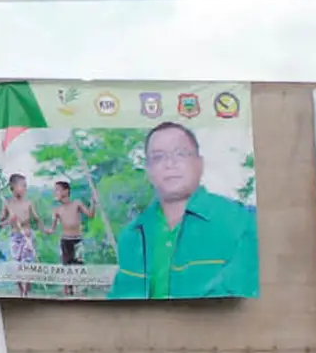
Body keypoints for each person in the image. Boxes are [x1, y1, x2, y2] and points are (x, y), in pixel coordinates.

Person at [108, 122, 260, 299]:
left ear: (199, 164)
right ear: (148, 171)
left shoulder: (241, 223)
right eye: (158, 157)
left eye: (180, 154)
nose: (170, 164)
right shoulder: (133, 236)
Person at [50, 180, 93, 265]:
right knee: (66, 268)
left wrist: (93, 203)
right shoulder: (57, 209)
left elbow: (90, 215)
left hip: (77, 240)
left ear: (66, 191)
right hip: (65, 241)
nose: (55, 193)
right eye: (55, 190)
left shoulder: (77, 203)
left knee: (79, 266)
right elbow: (52, 229)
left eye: (57, 190)